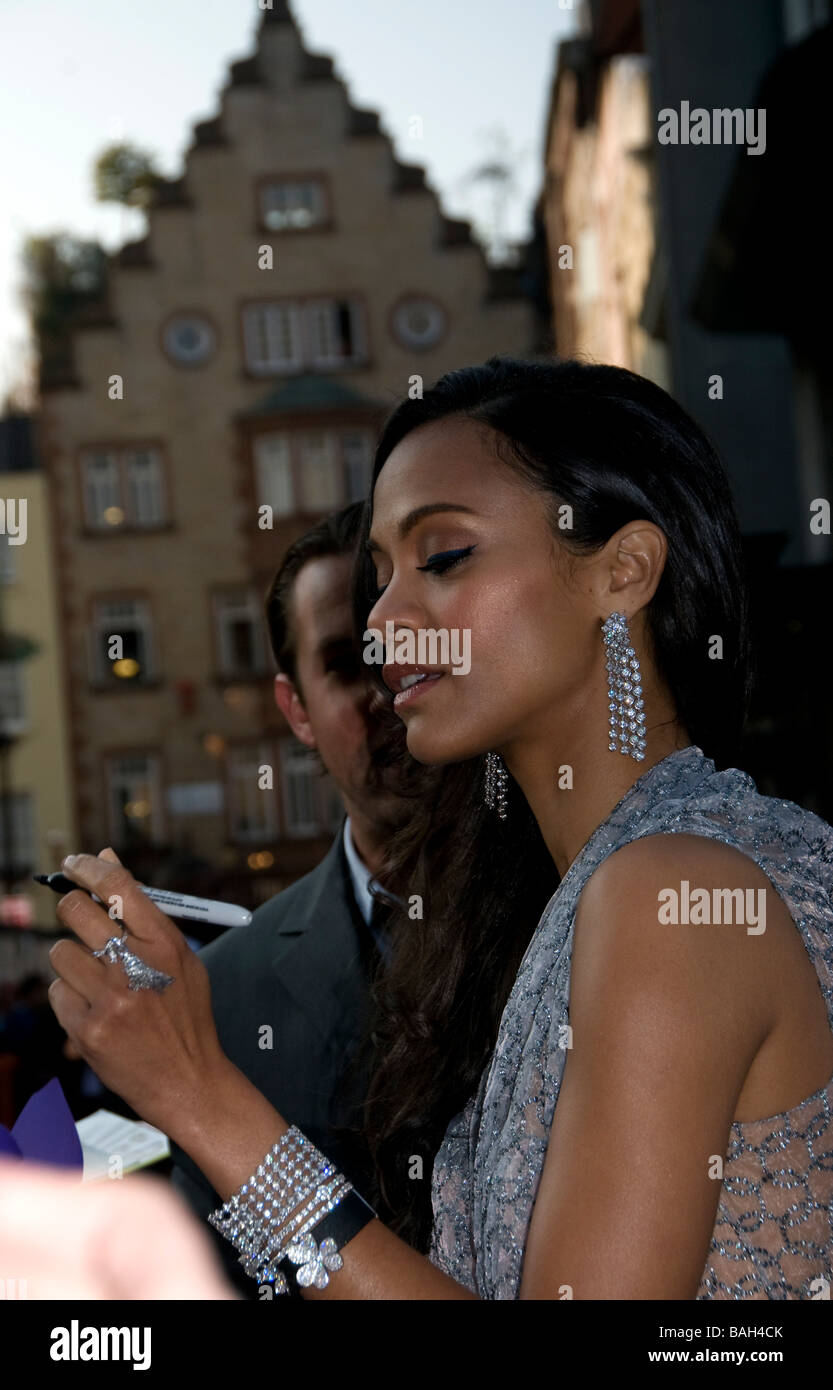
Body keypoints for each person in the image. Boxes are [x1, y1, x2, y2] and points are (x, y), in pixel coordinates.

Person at [48, 356, 833, 1300]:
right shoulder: (586, 890)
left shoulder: (672, 891)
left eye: (445, 556)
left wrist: (199, 1095)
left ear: (622, 571)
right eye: (377, 579)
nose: (383, 624)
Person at [167, 502, 409, 1297]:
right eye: (345, 663)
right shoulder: (227, 994)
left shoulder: (588, 913)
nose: (385, 689)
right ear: (296, 708)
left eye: (400, 648)